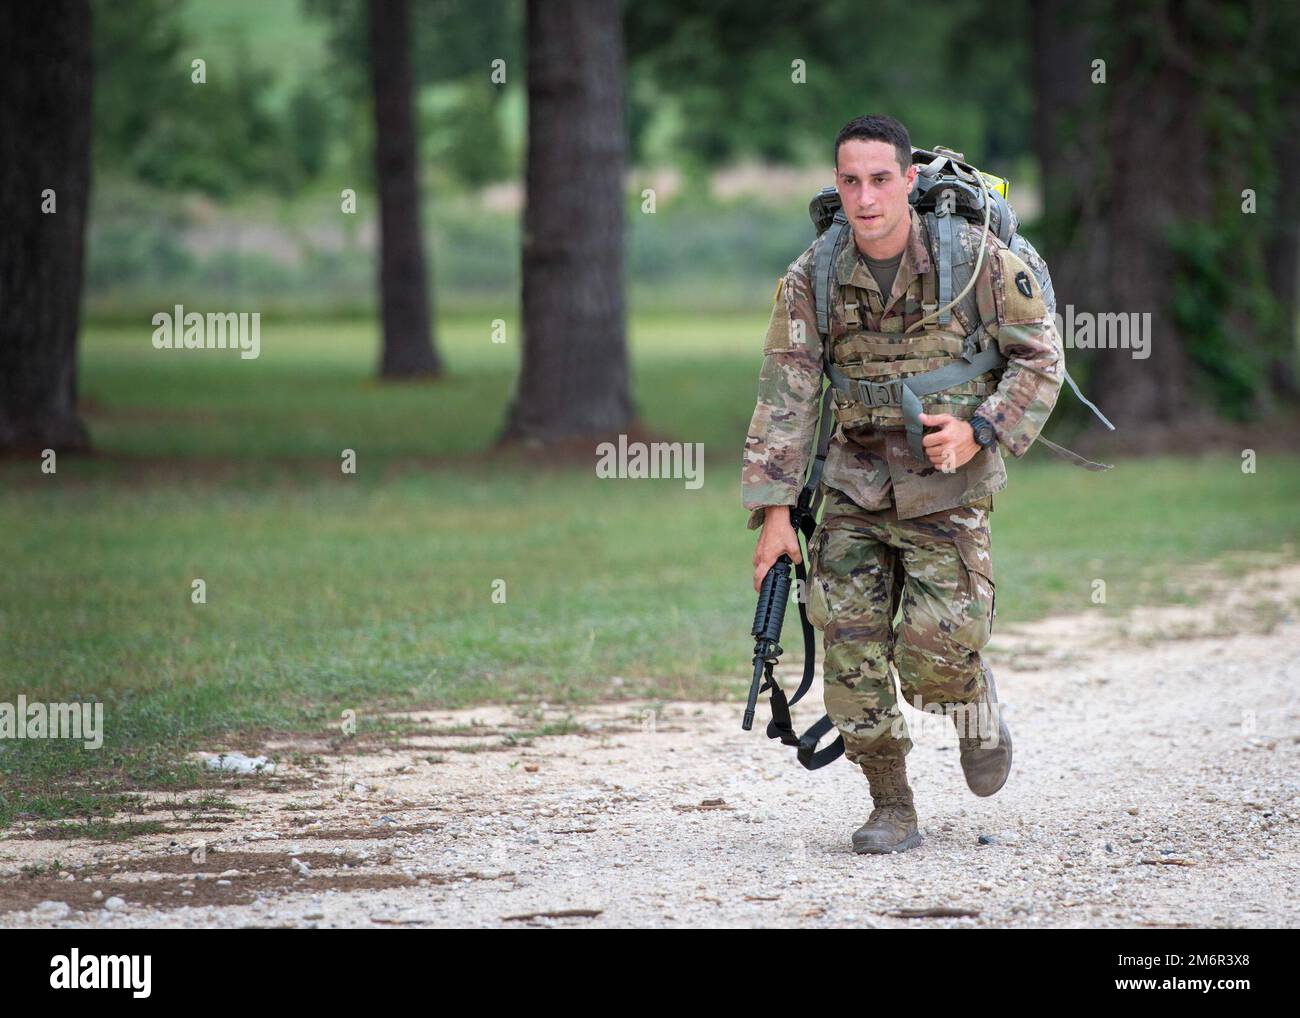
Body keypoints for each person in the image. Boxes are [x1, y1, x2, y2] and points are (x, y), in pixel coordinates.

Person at [742, 114, 1065, 854]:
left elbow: (1041, 359)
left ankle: (972, 702)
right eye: (850, 181)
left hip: (947, 485)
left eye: (881, 179)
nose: (865, 196)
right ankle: (891, 806)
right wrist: (774, 514)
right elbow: (786, 396)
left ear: (908, 182)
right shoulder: (813, 276)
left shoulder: (974, 259)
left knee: (935, 659)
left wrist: (981, 429)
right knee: (849, 649)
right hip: (854, 484)